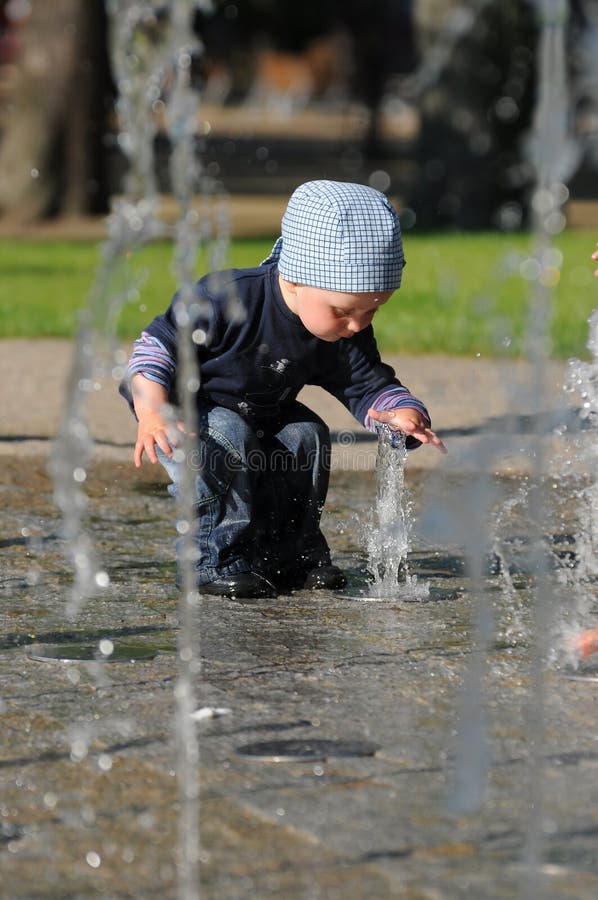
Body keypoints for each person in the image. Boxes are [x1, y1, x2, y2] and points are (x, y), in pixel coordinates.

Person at [121, 180, 446, 599]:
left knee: (306, 434)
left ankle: (289, 552)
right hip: (186, 414)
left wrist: (399, 413)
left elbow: (369, 383)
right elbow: (156, 348)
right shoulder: (228, 298)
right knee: (227, 435)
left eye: (373, 310)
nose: (359, 324)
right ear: (294, 279)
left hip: (260, 414)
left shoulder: (344, 330)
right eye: (344, 311)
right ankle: (212, 558)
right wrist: (151, 412)